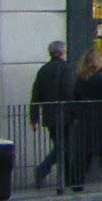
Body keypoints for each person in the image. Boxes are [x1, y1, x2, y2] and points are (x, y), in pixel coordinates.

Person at [69, 49, 102, 190]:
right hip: (99, 121)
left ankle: (76, 184)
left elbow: (75, 100)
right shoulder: (101, 79)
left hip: (85, 122)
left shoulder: (80, 79)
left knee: (82, 157)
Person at [29, 39, 71, 187]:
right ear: (62, 52)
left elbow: (36, 95)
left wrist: (33, 118)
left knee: (61, 146)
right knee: (64, 147)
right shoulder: (66, 69)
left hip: (50, 116)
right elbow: (68, 92)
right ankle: (44, 170)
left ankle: (51, 173)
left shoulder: (43, 70)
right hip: (66, 116)